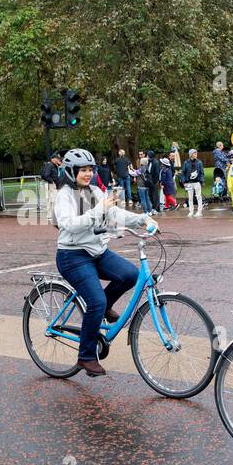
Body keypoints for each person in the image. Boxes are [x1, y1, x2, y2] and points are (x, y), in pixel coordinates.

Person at [52, 148, 157, 377]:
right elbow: (69, 224)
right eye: (83, 170)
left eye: (91, 169)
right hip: (72, 256)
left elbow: (114, 213)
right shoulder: (64, 195)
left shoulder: (94, 191)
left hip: (96, 251)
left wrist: (142, 219)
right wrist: (99, 209)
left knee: (130, 274)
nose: (88, 174)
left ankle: (103, 307)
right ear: (71, 171)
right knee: (95, 301)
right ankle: (86, 356)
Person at [182, 148, 205, 217]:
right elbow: (183, 172)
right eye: (194, 153)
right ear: (191, 155)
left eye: (196, 153)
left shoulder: (199, 162)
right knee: (190, 197)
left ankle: (199, 211)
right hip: (189, 182)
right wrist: (184, 182)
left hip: (197, 182)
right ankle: (191, 211)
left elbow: (202, 173)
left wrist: (202, 181)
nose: (196, 154)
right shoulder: (186, 163)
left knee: (198, 196)